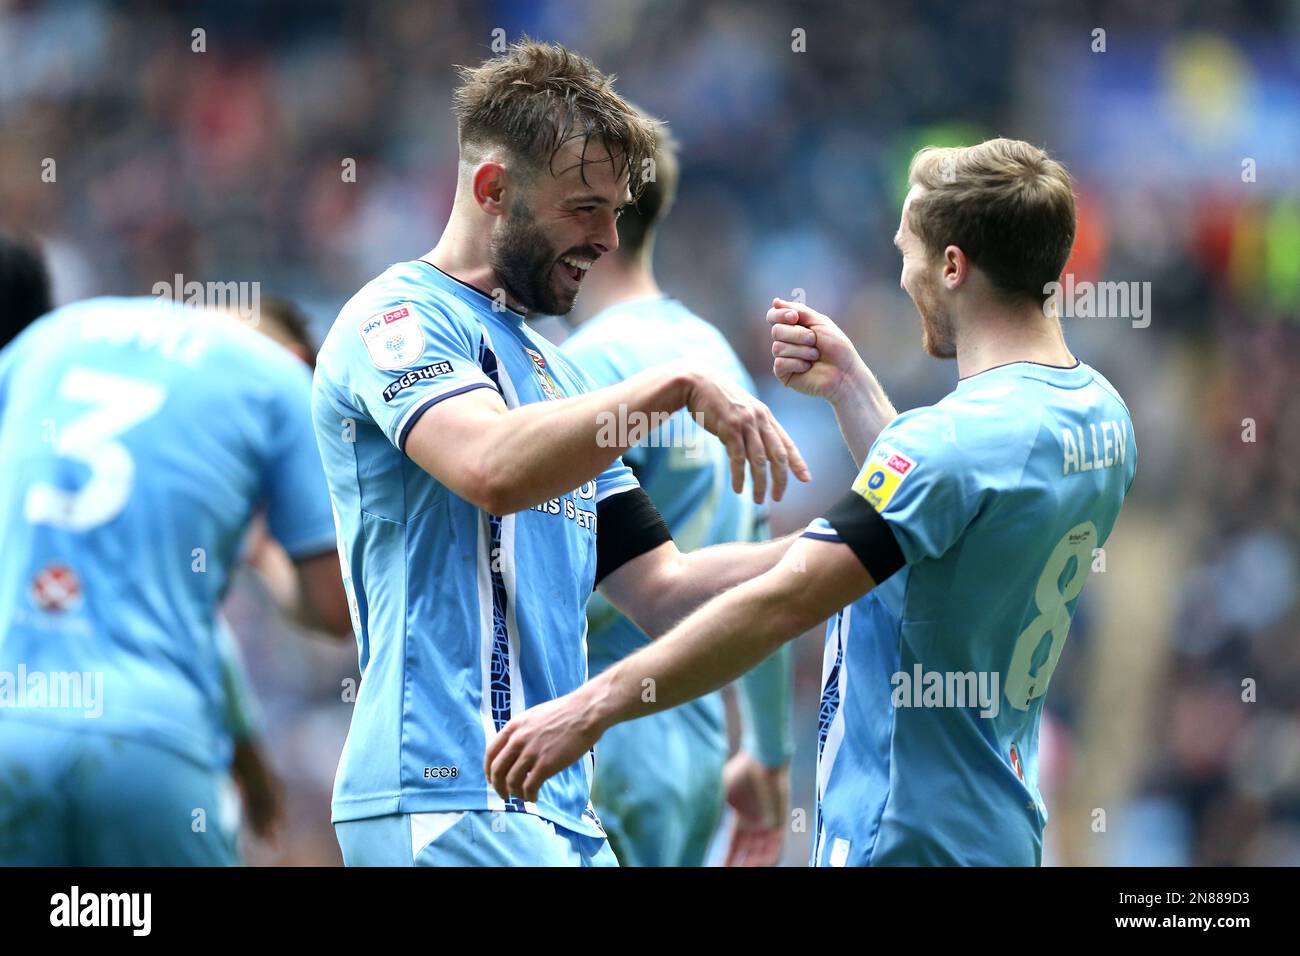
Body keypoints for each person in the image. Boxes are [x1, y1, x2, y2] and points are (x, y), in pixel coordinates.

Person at [486, 138, 1138, 867]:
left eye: (909, 253)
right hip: (999, 822)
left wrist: (590, 708)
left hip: (905, 832)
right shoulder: (1100, 415)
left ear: (953, 266)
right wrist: (853, 390)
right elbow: (953, 515)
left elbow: (783, 604)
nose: (904, 276)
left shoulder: (947, 441)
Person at [314, 40, 809, 867]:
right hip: (445, 791)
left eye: (617, 210)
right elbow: (492, 470)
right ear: (493, 189)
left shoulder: (557, 370)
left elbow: (664, 590)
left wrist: (861, 541)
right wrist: (670, 388)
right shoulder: (396, 318)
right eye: (585, 208)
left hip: (561, 811)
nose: (610, 239)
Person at [0, 234, 351, 865]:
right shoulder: (280, 382)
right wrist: (262, 549)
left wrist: (245, 745)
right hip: (151, 751)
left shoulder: (48, 341)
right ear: (301, 356)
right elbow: (337, 611)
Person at [560, 120, 792, 867]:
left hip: (600, 740)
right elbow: (763, 579)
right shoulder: (714, 355)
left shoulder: (588, 369)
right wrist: (769, 750)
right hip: (691, 751)